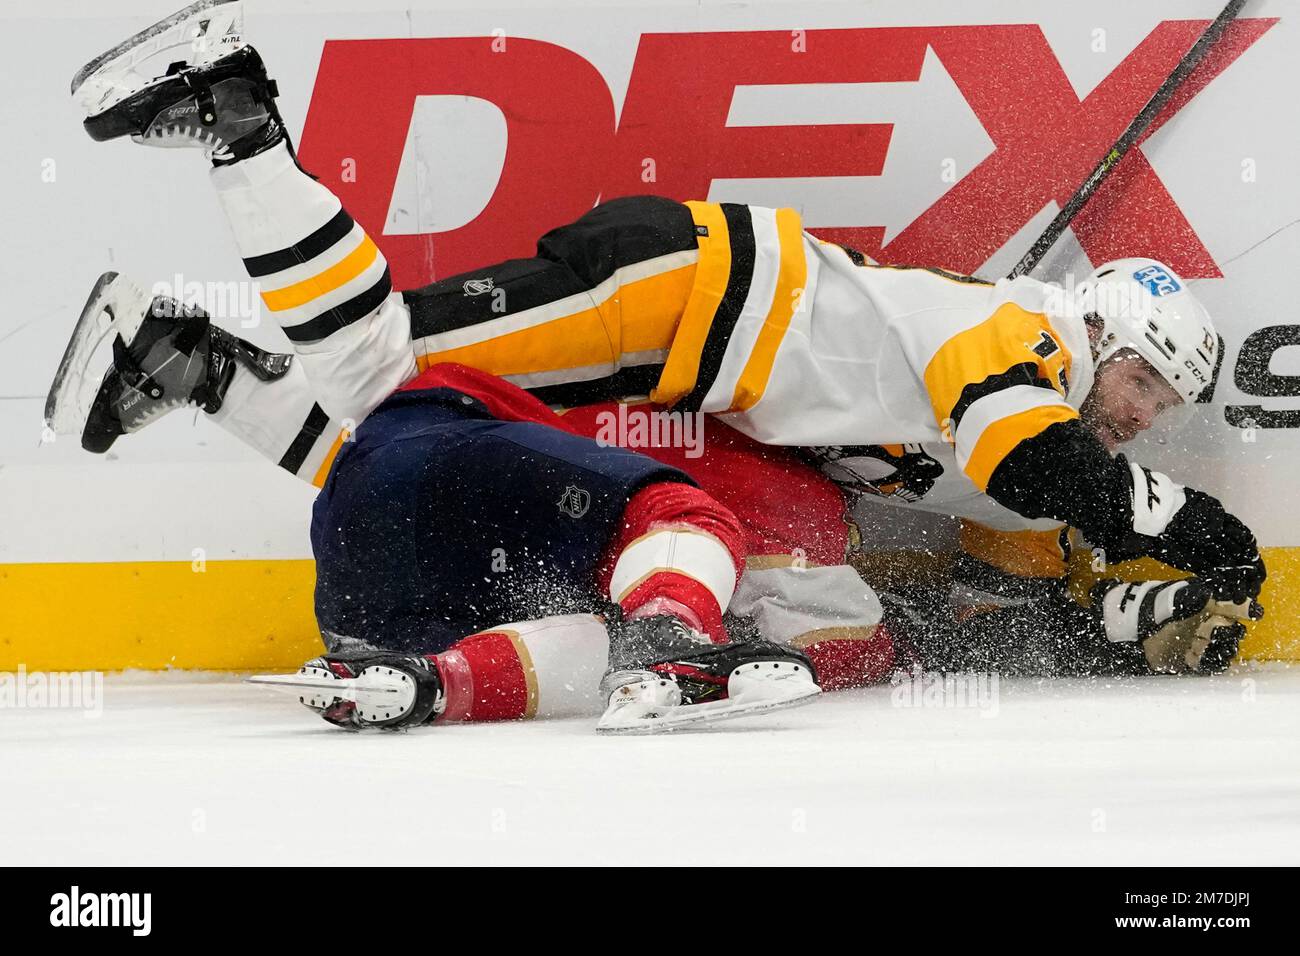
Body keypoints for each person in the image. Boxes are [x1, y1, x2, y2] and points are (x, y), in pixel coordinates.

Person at [52, 2, 1263, 725]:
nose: (1142, 414)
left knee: (413, 422)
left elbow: (988, 570)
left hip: (690, 342)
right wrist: (1195, 523)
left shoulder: (1015, 395)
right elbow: (1038, 459)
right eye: (1146, 381)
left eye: (1161, 407)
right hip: (679, 291)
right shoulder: (1029, 337)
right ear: (1101, 330)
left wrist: (1126, 608)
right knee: (378, 367)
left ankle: (186, 357)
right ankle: (235, 107)